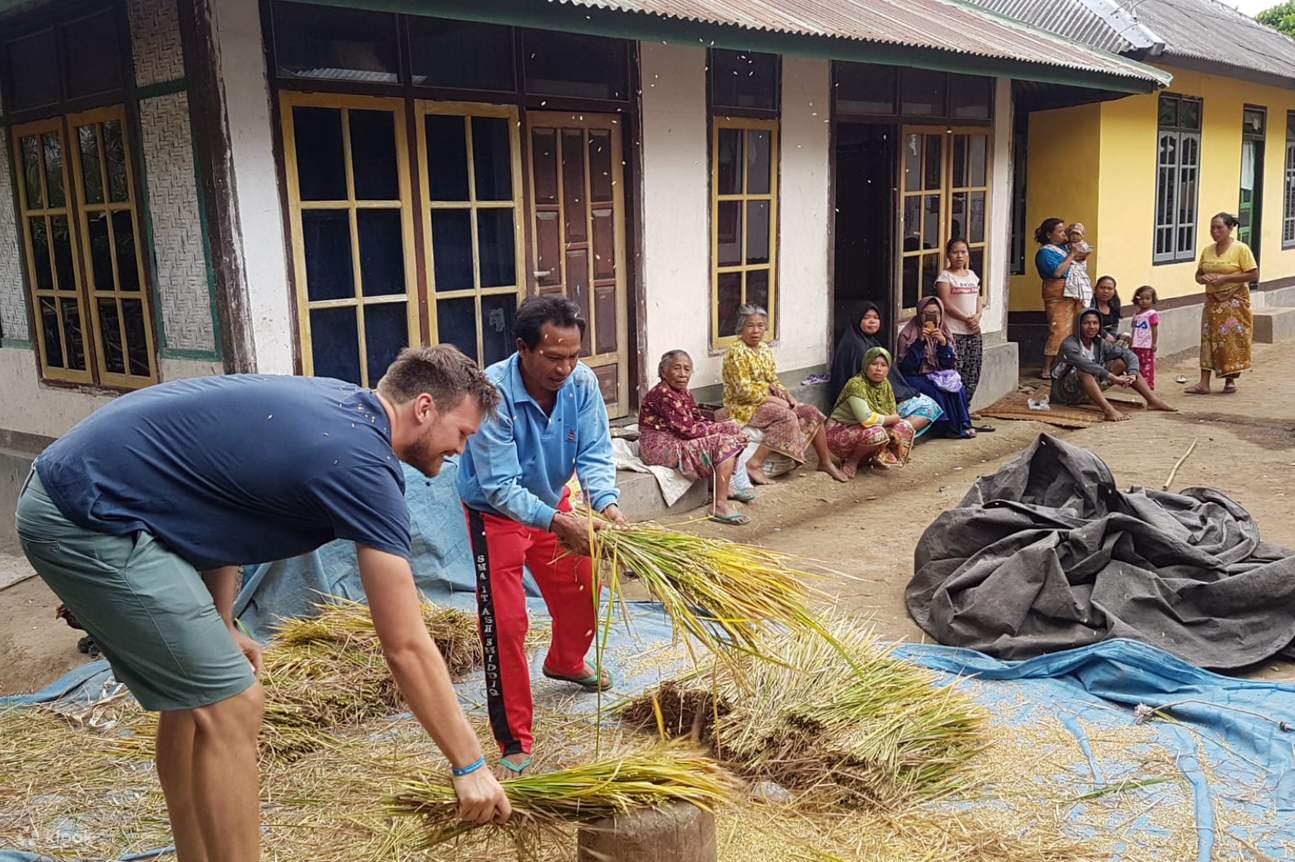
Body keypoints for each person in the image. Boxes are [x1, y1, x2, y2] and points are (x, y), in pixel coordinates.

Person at [14, 347, 512, 861]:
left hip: (90, 488)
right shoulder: (362, 465)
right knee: (233, 701)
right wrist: (469, 765)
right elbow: (406, 644)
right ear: (424, 408)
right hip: (85, 514)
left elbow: (222, 508)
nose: (461, 449)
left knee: (195, 699)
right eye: (463, 433)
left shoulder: (342, 409)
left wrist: (223, 619)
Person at [456, 295, 624, 778]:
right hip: (497, 513)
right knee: (507, 624)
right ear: (523, 349)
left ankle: (566, 662)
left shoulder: (583, 383)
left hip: (554, 505)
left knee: (584, 588)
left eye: (573, 355)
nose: (565, 368)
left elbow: (594, 450)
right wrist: (558, 520)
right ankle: (514, 739)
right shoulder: (490, 391)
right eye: (554, 357)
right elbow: (500, 486)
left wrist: (607, 504)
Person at [722, 305, 848, 485]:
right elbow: (743, 391)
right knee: (786, 417)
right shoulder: (736, 352)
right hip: (743, 405)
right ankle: (754, 464)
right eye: (750, 326)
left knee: (811, 411)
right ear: (741, 328)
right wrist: (773, 399)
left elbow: (773, 379)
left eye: (760, 325)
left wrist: (787, 396)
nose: (756, 330)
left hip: (767, 400)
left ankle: (825, 461)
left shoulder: (764, 349)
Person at [639, 350, 751, 525]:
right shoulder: (663, 394)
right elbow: (688, 430)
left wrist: (726, 429)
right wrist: (720, 432)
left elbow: (698, 420)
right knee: (725, 441)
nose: (683, 374)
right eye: (677, 368)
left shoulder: (684, 392)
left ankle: (724, 487)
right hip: (661, 447)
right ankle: (719, 505)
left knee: (732, 427)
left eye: (687, 369)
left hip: (678, 437)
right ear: (663, 372)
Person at [829, 302, 943, 438]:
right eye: (866, 318)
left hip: (879, 396)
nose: (872, 321)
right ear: (857, 319)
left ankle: (894, 435)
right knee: (929, 407)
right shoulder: (855, 346)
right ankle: (892, 437)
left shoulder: (869, 341)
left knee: (931, 403)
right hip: (866, 401)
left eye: (876, 318)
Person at [1052, 308, 1176, 421]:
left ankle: (1153, 401)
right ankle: (1108, 410)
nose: (1091, 327)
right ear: (1078, 326)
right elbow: (1085, 365)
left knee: (1123, 362)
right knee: (1084, 371)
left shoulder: (1099, 343)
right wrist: (1112, 377)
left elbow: (1128, 354)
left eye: (1095, 323)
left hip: (1090, 387)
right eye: (1086, 323)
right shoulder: (1069, 344)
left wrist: (1132, 374)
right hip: (1067, 392)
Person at [1186, 212, 1259, 395]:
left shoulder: (1241, 249)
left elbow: (1253, 274)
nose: (1215, 231)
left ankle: (1230, 380)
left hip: (1234, 301)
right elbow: (1198, 274)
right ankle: (1204, 382)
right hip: (1212, 301)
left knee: (1230, 340)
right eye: (1212, 227)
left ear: (1230, 228)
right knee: (1208, 339)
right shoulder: (1207, 250)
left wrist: (1225, 278)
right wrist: (1204, 279)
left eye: (1219, 227)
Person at [827, 346, 917, 477]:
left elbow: (891, 412)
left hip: (864, 428)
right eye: (874, 364)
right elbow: (866, 419)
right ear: (865, 365)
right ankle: (852, 461)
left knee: (904, 426)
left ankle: (874, 457)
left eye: (883, 365)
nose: (878, 369)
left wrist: (894, 419)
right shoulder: (856, 385)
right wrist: (893, 419)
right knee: (877, 433)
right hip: (840, 430)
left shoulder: (885, 384)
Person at [897, 296, 975, 439]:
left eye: (936, 314)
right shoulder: (908, 333)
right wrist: (919, 343)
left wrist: (943, 344)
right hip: (915, 375)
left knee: (957, 388)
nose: (932, 318)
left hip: (938, 373)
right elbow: (906, 367)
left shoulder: (944, 331)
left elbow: (949, 364)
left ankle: (963, 425)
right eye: (926, 314)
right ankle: (949, 428)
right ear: (920, 315)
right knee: (937, 391)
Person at [1035, 217, 1089, 379]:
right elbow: (1057, 272)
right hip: (1057, 292)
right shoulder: (1045, 252)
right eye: (1059, 231)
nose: (1063, 234)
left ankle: (1070, 364)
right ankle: (1046, 368)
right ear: (1049, 235)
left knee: (1076, 327)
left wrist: (1074, 231)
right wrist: (1071, 255)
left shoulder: (1065, 247)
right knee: (1059, 330)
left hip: (1074, 291)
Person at [935, 238, 984, 403]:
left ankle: (966, 407)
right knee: (955, 371)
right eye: (955, 252)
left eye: (963, 252)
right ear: (948, 255)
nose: (959, 256)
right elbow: (946, 304)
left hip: (973, 331)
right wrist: (966, 318)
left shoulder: (972, 275)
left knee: (973, 371)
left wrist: (977, 317)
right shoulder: (945, 277)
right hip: (954, 332)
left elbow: (978, 300)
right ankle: (955, 409)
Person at [1130, 286, 1161, 390]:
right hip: (1136, 344)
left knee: (1147, 364)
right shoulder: (1135, 315)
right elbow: (1134, 329)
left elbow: (1154, 329)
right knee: (1136, 364)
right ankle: (1138, 383)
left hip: (1147, 344)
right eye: (1141, 299)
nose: (1144, 301)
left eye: (1147, 298)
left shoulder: (1152, 314)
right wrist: (1131, 341)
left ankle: (1148, 384)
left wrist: (1154, 343)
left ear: (1152, 299)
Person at [1092, 275, 1125, 345]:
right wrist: (1105, 335)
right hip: (1092, 337)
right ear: (1096, 289)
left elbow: (1115, 324)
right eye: (1102, 288)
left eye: (1109, 288)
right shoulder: (1090, 303)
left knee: (1127, 337)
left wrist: (1113, 338)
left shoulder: (1115, 303)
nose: (1106, 291)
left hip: (1109, 339)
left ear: (1114, 291)